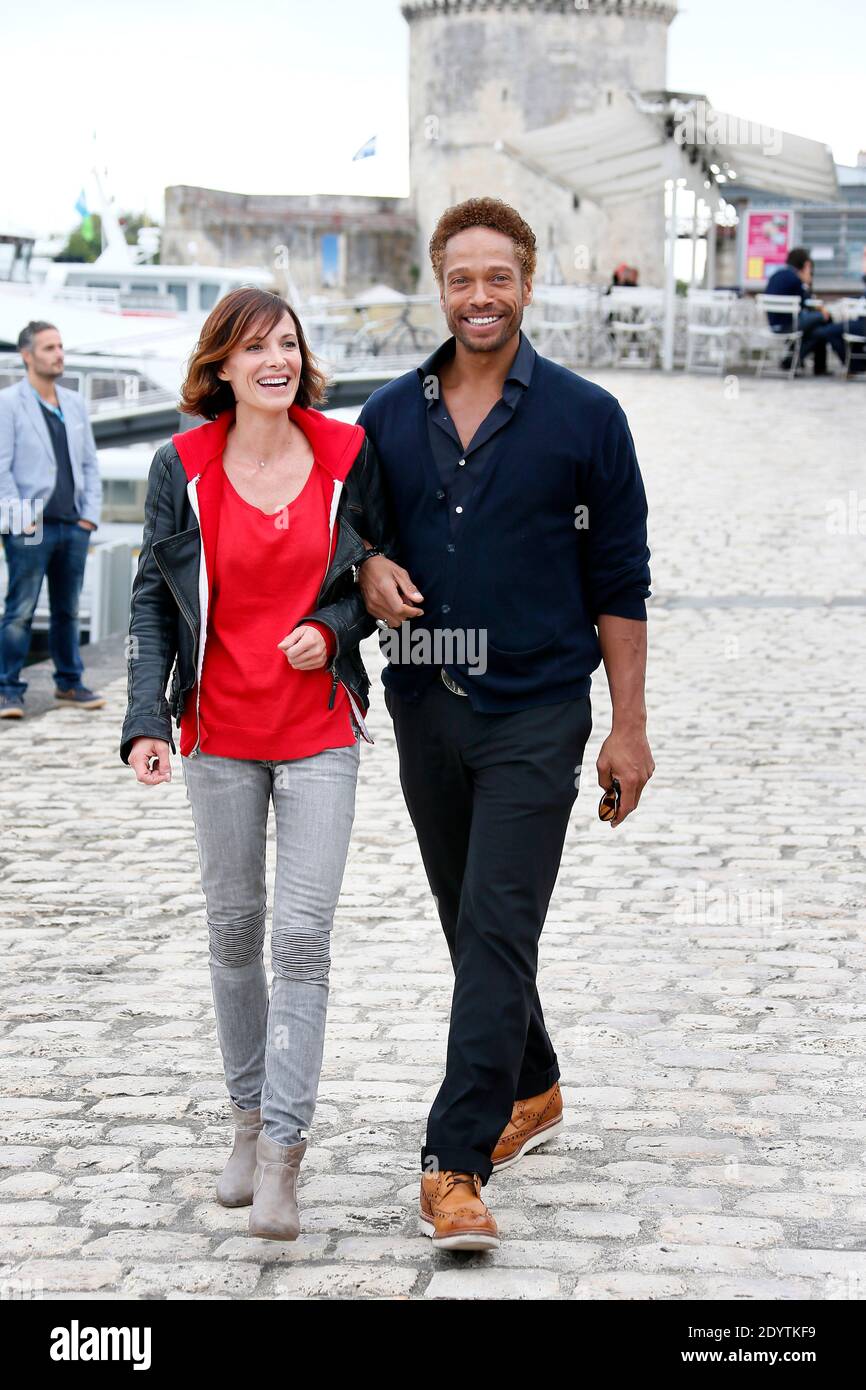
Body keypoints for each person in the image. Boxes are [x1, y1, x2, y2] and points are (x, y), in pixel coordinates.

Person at [356, 197, 654, 1252]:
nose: (478, 296)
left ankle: (454, 1162)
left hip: (538, 708)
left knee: (495, 922)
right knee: (468, 917)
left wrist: (627, 726)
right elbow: (350, 537)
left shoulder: (587, 418)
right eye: (460, 279)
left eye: (497, 278)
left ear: (526, 285)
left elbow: (619, 579)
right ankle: (532, 1081)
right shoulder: (387, 416)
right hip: (424, 700)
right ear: (440, 288)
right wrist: (367, 565)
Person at [119, 287, 392, 1241]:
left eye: (288, 344)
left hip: (319, 730)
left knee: (302, 941)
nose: (276, 360)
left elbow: (369, 582)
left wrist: (332, 627)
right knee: (235, 933)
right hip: (219, 734)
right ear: (222, 367)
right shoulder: (182, 466)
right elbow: (153, 599)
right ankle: (244, 1120)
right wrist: (146, 718)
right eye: (254, 347)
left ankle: (282, 1153)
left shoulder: (348, 455)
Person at [0, 321, 104, 717]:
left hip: (72, 526)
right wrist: (20, 520)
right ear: (27, 355)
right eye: (49, 348)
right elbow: (1, 468)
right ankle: (7, 689)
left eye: (60, 346)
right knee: (21, 609)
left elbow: (90, 464)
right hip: (32, 524)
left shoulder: (74, 403)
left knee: (68, 610)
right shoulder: (9, 403)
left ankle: (69, 683)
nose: (59, 354)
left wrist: (88, 518)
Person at [765, 248, 846, 374]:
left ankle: (793, 361)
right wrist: (807, 281)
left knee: (819, 330)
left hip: (774, 325)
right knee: (825, 319)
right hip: (789, 324)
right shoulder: (795, 278)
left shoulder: (776, 275)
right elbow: (807, 302)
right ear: (806, 264)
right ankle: (815, 365)